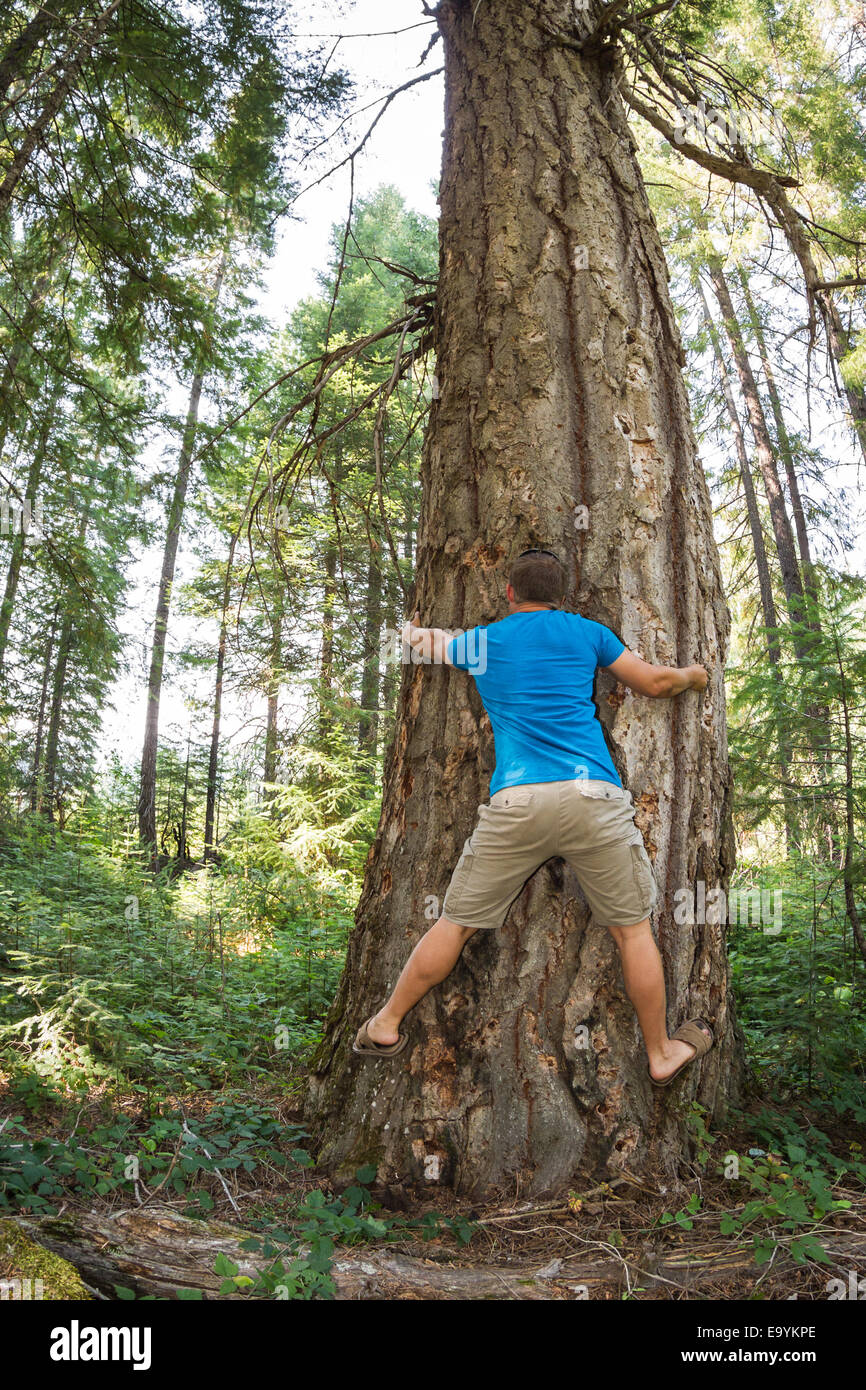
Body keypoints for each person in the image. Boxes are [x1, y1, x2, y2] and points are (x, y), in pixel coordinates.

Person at [353, 548, 714, 1086]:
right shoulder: (586, 632)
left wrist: (408, 631)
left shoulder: (484, 641)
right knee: (633, 932)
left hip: (516, 802)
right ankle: (660, 1053)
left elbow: (423, 642)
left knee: (454, 923)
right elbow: (655, 683)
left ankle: (385, 1022)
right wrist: (696, 676)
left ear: (509, 593)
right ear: (562, 595)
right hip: (592, 796)